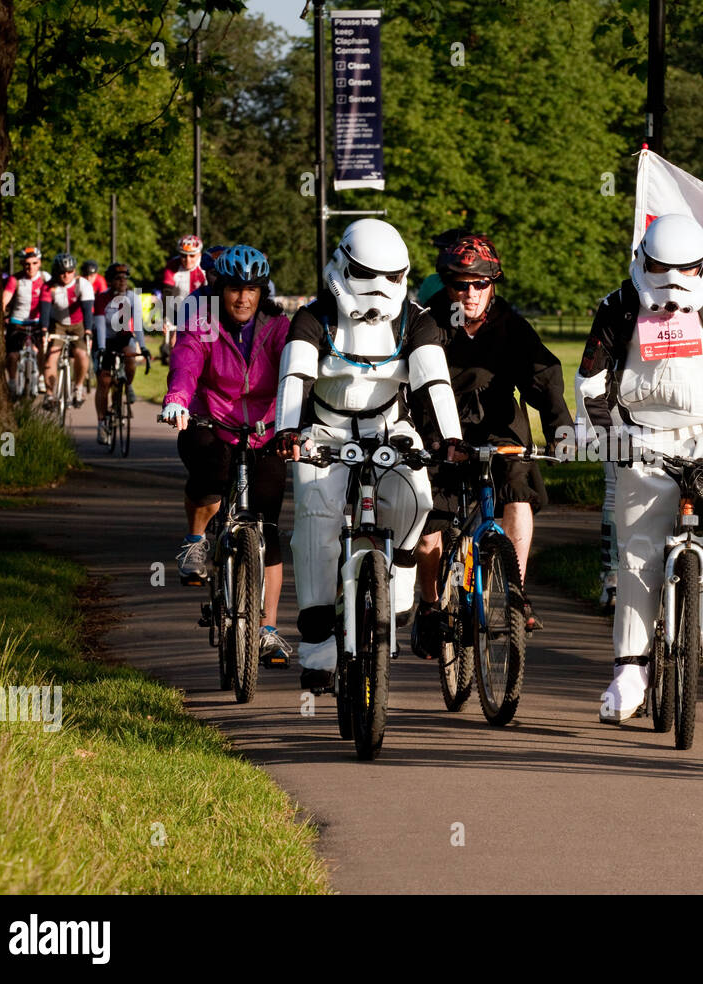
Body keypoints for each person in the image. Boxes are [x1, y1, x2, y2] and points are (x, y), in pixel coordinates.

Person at [576, 213, 703, 723]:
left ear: (702, 267)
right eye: (662, 270)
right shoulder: (619, 306)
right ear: (643, 262)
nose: (671, 287)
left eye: (684, 271)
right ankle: (629, 670)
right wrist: (608, 438)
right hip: (642, 441)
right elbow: (590, 386)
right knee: (639, 557)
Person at [275, 218, 463, 690]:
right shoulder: (313, 318)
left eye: (391, 278)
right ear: (342, 267)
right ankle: (317, 642)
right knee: (316, 519)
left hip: (389, 427)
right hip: (324, 430)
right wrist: (288, 431)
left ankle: (396, 578)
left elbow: (432, 383)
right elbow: (294, 378)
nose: (379, 291)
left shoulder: (416, 320)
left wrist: (448, 440)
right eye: (367, 276)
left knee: (417, 498)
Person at [410, 233, 572, 657]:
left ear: (493, 283)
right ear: (446, 285)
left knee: (517, 494)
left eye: (479, 283)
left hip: (499, 429)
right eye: (460, 284)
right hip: (438, 436)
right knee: (430, 535)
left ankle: (515, 592)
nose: (470, 293)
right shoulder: (429, 324)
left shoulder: (510, 326)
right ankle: (429, 607)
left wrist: (561, 428)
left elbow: (543, 376)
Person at [161, 245, 293, 664]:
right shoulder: (201, 319)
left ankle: (268, 630)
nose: (243, 298)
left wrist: (299, 422)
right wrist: (178, 398)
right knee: (209, 473)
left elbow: (294, 370)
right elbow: (186, 359)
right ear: (220, 289)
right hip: (209, 419)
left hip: (264, 429)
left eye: (252, 289)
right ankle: (196, 541)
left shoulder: (277, 325)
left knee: (268, 527)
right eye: (235, 289)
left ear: (262, 291)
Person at [92, 262, 149, 443]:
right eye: (118, 278)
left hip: (124, 337)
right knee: (104, 380)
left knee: (131, 359)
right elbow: (100, 326)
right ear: (110, 281)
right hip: (105, 340)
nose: (122, 281)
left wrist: (144, 346)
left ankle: (128, 385)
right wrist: (101, 349)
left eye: (125, 278)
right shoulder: (102, 298)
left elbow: (138, 324)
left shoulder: (132, 297)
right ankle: (101, 423)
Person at [44, 252, 95, 409]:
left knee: (81, 354)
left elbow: (87, 311)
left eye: (70, 271)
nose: (66, 275)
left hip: (78, 324)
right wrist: (44, 330)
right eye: (62, 272)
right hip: (58, 323)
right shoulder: (49, 287)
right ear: (56, 272)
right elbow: (44, 310)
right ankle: (50, 394)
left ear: (74, 271)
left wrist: (88, 331)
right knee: (52, 355)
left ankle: (78, 387)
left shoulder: (83, 285)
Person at [1, 245, 51, 397]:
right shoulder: (14, 279)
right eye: (27, 264)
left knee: (43, 349)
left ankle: (41, 376)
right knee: (12, 355)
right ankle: (12, 381)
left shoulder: (45, 278)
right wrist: (2, 312)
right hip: (18, 321)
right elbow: (5, 298)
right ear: (22, 264)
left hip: (38, 322)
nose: (31, 267)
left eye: (34, 263)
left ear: (40, 263)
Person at [159, 235, 207, 363]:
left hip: (200, 310)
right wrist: (166, 318)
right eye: (183, 255)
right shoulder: (173, 266)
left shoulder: (206, 267)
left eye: (192, 256)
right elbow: (167, 294)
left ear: (199, 253)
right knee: (173, 346)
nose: (187, 260)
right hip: (177, 309)